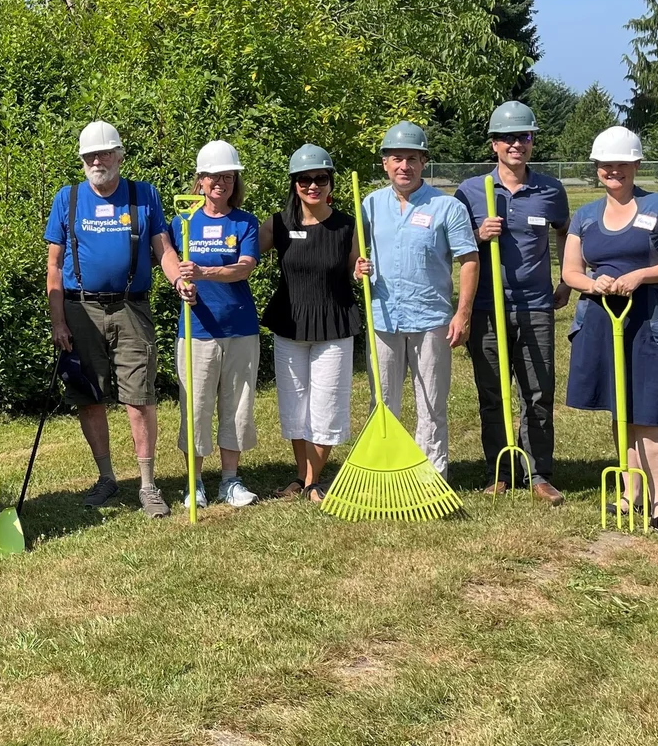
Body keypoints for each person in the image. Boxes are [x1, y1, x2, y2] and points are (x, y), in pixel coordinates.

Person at [44, 120, 185, 518]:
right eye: (90, 155)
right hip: (79, 309)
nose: (97, 160)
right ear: (82, 160)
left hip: (131, 307)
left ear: (120, 156)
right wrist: (58, 321)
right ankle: (107, 478)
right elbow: (53, 267)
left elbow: (164, 249)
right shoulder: (67, 199)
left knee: (139, 397)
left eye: (105, 153)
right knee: (90, 397)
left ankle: (147, 484)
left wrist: (179, 281)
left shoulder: (144, 196)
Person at [561, 126, 658, 541]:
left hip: (652, 324)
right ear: (597, 169)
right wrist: (591, 284)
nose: (612, 171)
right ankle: (628, 494)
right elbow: (569, 271)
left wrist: (639, 275)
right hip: (603, 321)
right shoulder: (584, 216)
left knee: (650, 415)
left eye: (620, 163)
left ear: (636, 164)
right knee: (621, 413)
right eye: (605, 165)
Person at [454, 101, 570, 503]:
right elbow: (453, 244)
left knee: (538, 392)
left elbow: (565, 232)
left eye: (524, 136)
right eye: (507, 138)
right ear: (494, 145)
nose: (516, 144)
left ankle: (539, 475)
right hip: (488, 306)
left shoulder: (550, 190)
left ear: (532, 141)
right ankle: (499, 471)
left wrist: (565, 279)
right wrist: (477, 233)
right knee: (493, 393)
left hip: (535, 305)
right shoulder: (470, 191)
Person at [359, 121, 479, 478]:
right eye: (396, 158)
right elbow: (358, 252)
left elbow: (469, 261)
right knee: (382, 401)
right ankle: (385, 468)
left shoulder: (447, 207)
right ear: (385, 163)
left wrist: (463, 314)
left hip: (431, 318)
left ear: (424, 162)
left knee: (431, 401)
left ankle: (431, 474)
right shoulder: (369, 205)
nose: (404, 166)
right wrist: (357, 265)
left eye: (412, 158)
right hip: (382, 318)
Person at [259, 144, 359, 504]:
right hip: (290, 322)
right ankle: (302, 478)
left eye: (320, 178)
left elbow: (355, 269)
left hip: (334, 323)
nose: (312, 185)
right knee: (294, 405)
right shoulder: (278, 224)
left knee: (326, 405)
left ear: (330, 182)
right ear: (294, 183)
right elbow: (240, 251)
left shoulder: (347, 225)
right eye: (304, 179)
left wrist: (362, 272)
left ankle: (314, 480)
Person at [171, 141, 261, 509]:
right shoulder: (182, 222)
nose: (219, 183)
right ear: (201, 180)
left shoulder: (245, 222)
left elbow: (246, 266)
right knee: (196, 407)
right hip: (196, 329)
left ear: (233, 180)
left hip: (239, 327)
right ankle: (195, 483)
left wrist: (206, 271)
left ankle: (230, 481)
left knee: (237, 405)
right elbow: (171, 266)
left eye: (226, 176)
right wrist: (181, 283)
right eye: (212, 176)